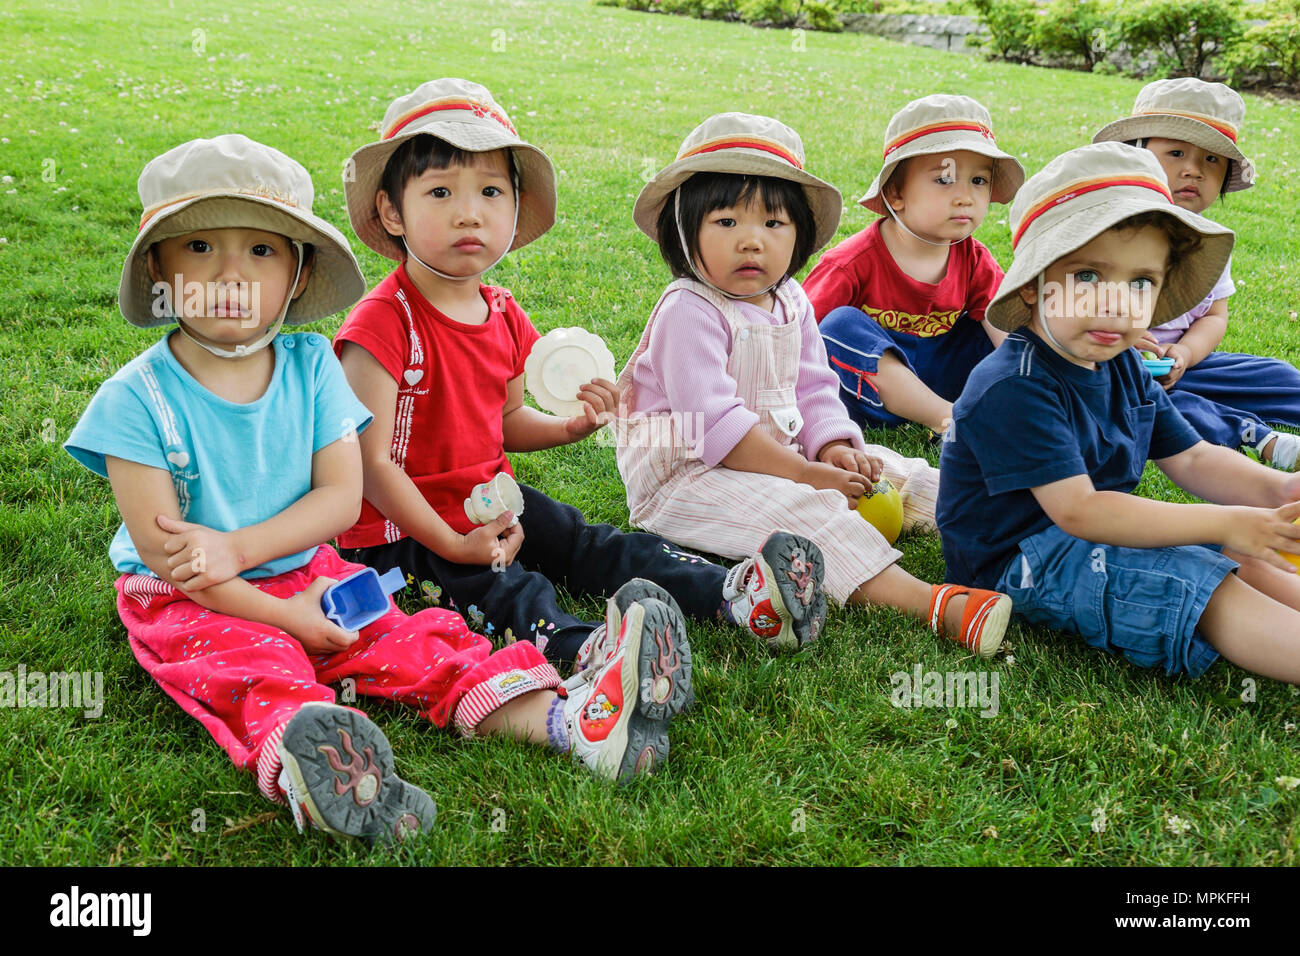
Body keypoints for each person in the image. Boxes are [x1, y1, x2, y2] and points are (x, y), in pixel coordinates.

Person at [332, 79, 823, 766]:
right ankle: (593, 651)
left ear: (515, 208)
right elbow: (370, 464)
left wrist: (566, 428)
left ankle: (740, 599)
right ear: (391, 210)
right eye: (441, 193)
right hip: (396, 534)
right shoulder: (382, 326)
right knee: (501, 590)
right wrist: (451, 539)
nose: (468, 214)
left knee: (588, 542)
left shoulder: (501, 312)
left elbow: (504, 422)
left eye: (491, 193)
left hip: (486, 496)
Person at [616, 111, 1012, 659]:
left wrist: (833, 448)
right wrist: (806, 473)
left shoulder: (792, 300)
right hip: (689, 476)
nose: (752, 243)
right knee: (805, 511)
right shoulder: (689, 310)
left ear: (800, 232)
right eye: (727, 223)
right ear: (685, 230)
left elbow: (815, 389)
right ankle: (935, 604)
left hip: (780, 451)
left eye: (773, 225)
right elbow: (715, 426)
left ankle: (1010, 530)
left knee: (902, 472)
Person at [939, 141, 1300, 684]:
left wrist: (1280, 494)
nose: (1117, 302)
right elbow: (1079, 511)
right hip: (1022, 561)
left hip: (1097, 532)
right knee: (1201, 576)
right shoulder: (1014, 387)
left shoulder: (1124, 365)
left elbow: (1196, 460)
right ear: (1034, 287)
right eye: (1087, 276)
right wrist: (1229, 520)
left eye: (1141, 282)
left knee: (1248, 553)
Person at [1093, 77, 1300, 471]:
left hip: (1184, 364)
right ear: (1138, 155)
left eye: (1211, 159)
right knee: (1150, 397)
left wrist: (1186, 353)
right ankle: (1255, 436)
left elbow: (1213, 315)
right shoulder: (1109, 230)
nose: (1194, 170)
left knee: (1277, 374)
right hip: (1110, 360)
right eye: (1175, 152)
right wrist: (1124, 339)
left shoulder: (1209, 242)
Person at [803, 95, 1025, 434]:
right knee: (837, 326)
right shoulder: (849, 263)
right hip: (871, 394)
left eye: (979, 181)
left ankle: (1022, 408)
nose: (966, 196)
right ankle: (948, 421)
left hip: (948, 381)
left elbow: (1009, 333)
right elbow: (795, 337)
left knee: (1002, 327)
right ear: (895, 194)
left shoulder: (974, 259)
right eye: (944, 179)